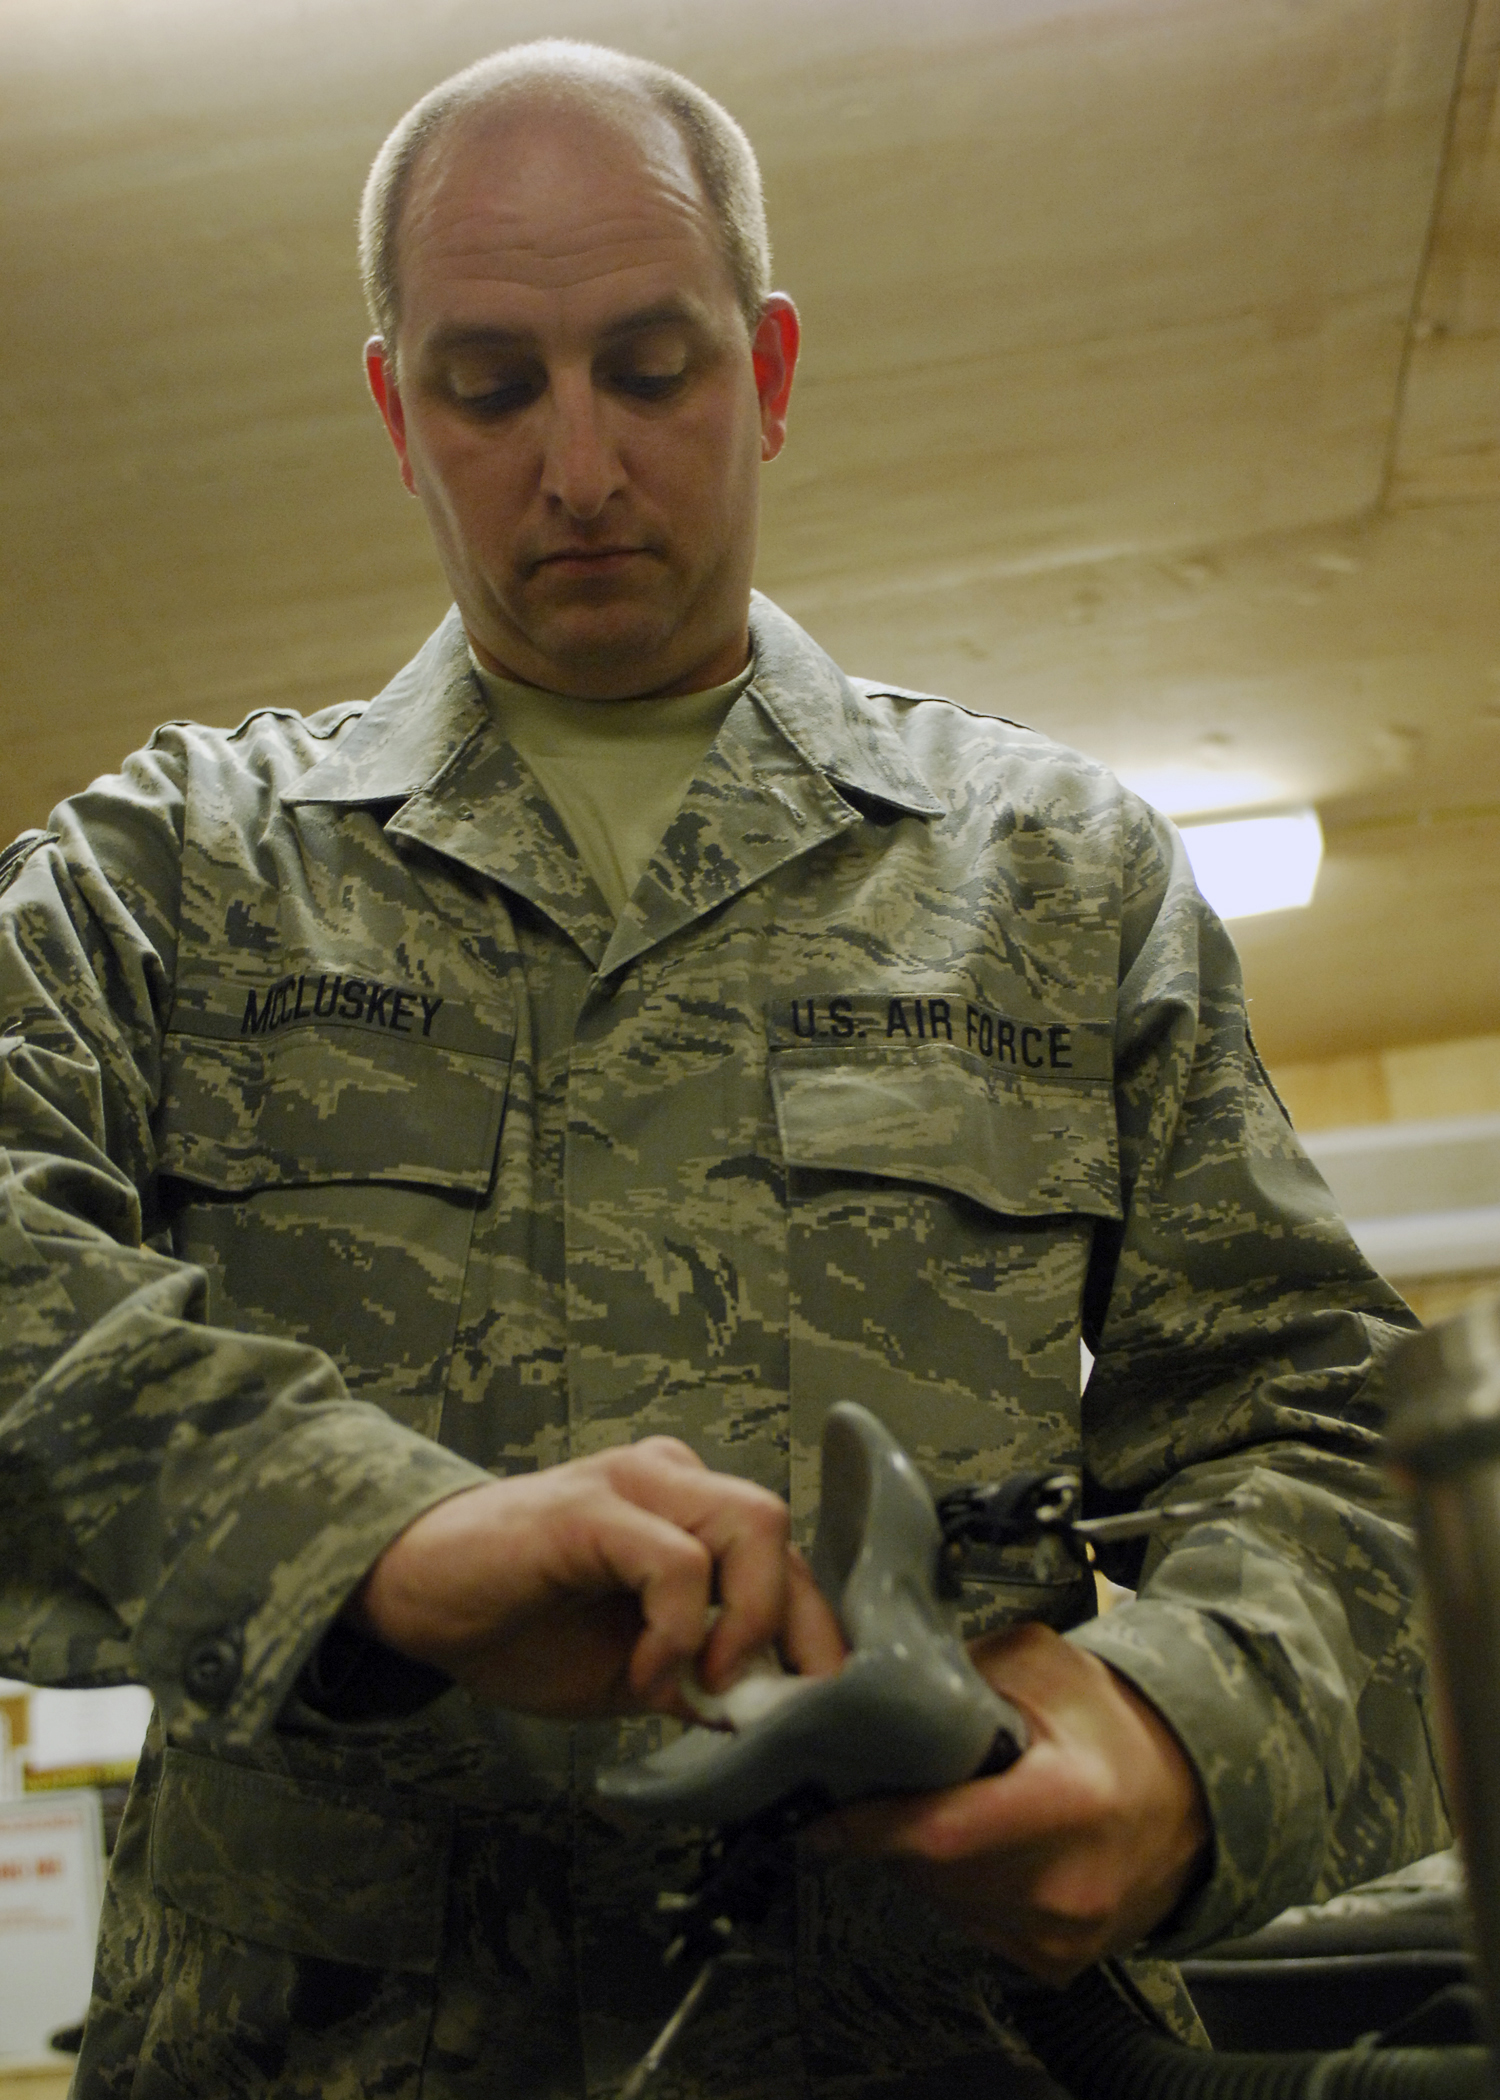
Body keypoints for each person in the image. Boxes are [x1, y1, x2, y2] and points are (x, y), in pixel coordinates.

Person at [0, 38, 1446, 2100]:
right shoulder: (175, 874)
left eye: (652, 369)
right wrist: (382, 1545)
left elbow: (1339, 1451)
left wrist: (1183, 1737)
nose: (578, 468)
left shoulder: (1055, 877)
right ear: (395, 408)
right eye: (491, 386)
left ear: (765, 371)